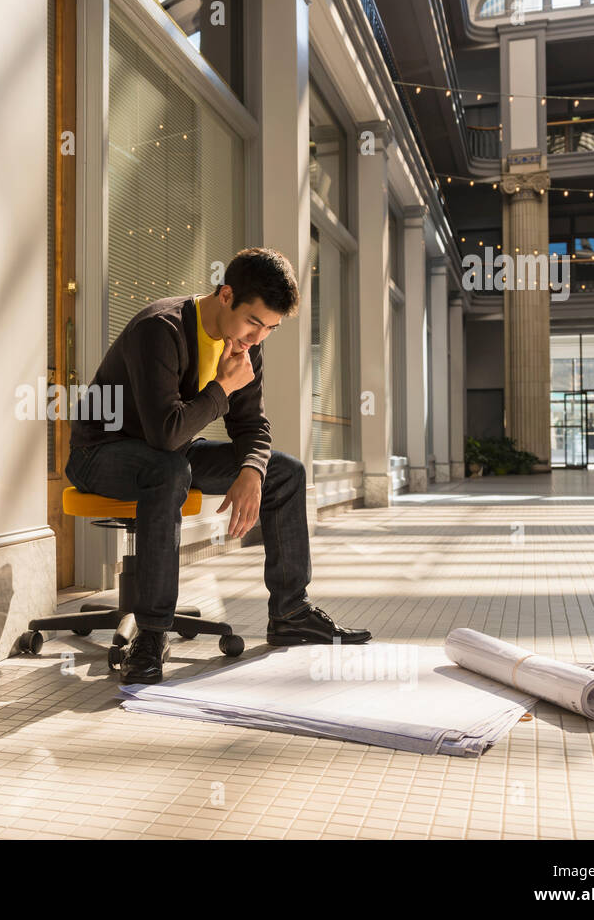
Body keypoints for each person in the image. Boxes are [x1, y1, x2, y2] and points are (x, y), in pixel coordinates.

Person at [67, 247, 371, 685]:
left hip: (168, 452)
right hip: (101, 452)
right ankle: (152, 634)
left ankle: (290, 612)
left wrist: (252, 469)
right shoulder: (161, 329)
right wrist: (223, 386)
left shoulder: (246, 344)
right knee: (168, 470)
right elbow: (166, 434)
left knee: (285, 471)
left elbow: (251, 425)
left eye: (270, 328)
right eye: (254, 322)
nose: (257, 337)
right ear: (226, 295)